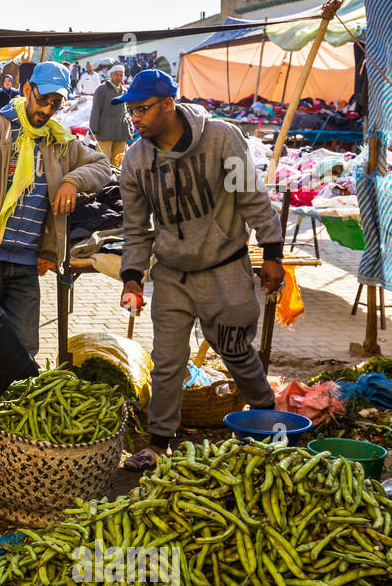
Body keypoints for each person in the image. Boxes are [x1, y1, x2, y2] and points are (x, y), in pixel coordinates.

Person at [114, 70, 284, 472]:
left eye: (142, 109)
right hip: (172, 275)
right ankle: (159, 443)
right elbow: (136, 227)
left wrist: (273, 252)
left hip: (224, 270)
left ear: (168, 104)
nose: (135, 118)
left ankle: (270, 425)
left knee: (237, 352)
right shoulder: (137, 159)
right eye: (130, 112)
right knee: (167, 360)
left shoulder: (222, 138)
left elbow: (252, 197)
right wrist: (132, 276)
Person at [0, 61, 113, 359]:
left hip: (26, 264)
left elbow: (103, 166)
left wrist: (74, 181)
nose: (47, 110)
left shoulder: (58, 141)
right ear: (27, 90)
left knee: (25, 347)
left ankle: (17, 403)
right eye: (43, 100)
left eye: (56, 104)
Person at [90, 65, 132, 167]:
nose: (119, 77)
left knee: (118, 162)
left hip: (121, 132)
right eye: (116, 75)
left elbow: (127, 112)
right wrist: (93, 130)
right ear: (111, 75)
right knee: (103, 162)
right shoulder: (101, 89)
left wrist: (130, 128)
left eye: (121, 75)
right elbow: (95, 110)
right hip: (105, 132)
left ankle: (116, 182)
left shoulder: (124, 91)